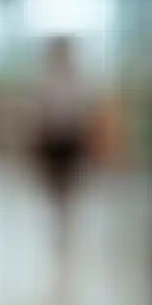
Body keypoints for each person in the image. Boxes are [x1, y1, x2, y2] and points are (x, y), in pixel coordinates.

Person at [33, 37, 93, 214]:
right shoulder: (46, 78)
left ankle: (65, 203)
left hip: (70, 134)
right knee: (54, 177)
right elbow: (42, 109)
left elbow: (81, 109)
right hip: (53, 136)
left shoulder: (76, 78)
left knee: (69, 177)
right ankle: (58, 202)